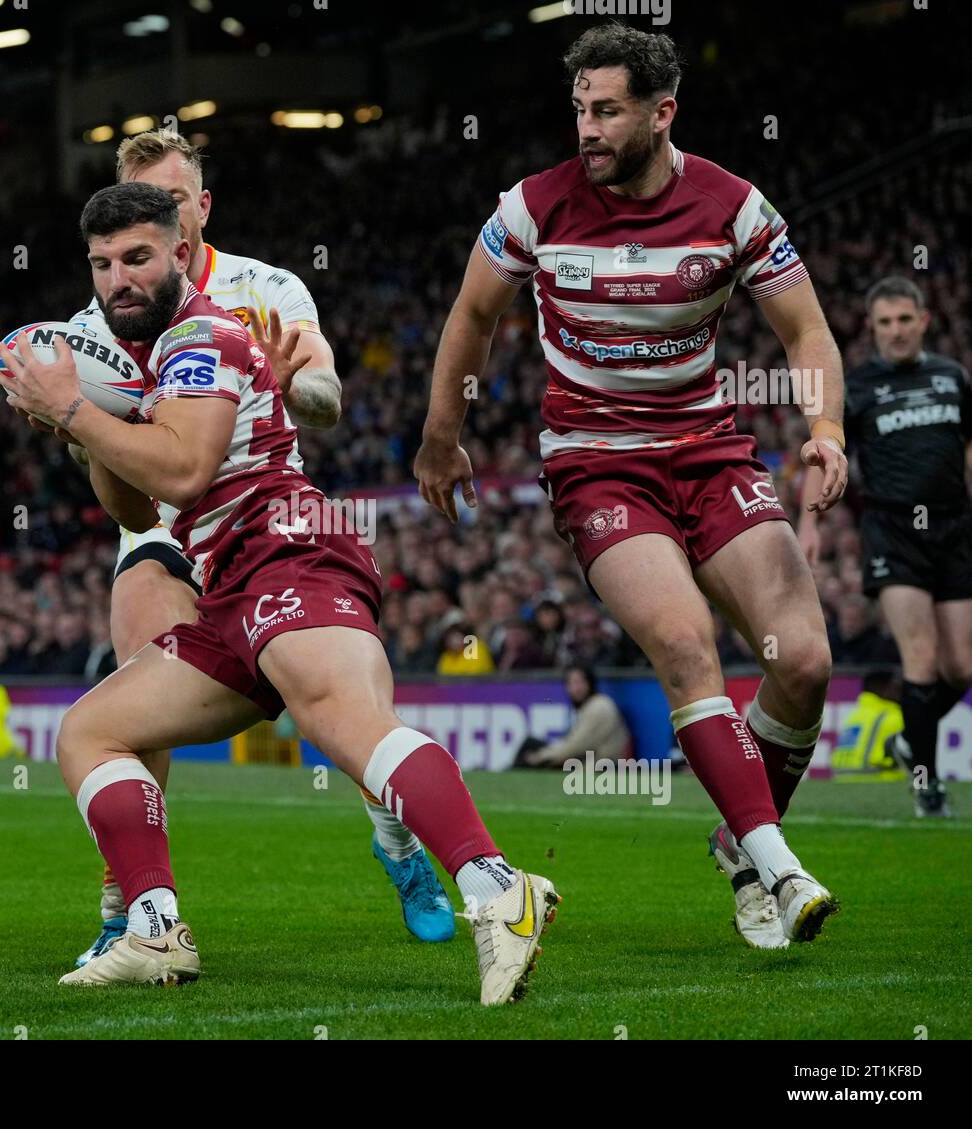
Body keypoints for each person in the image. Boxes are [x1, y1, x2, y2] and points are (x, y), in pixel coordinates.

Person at [0, 182, 558, 1004]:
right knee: (90, 731)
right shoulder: (147, 359)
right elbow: (139, 507)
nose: (118, 278)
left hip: (287, 551)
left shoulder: (201, 335)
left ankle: (497, 888)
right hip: (229, 586)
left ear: (180, 254)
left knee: (345, 721)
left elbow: (187, 470)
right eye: (102, 264)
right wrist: (81, 435)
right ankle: (155, 929)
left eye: (138, 257)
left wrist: (74, 407)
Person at [414, 22, 841, 949]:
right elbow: (472, 315)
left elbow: (804, 333)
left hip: (709, 454)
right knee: (685, 642)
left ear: (662, 111)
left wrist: (825, 427)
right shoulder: (533, 208)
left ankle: (741, 832)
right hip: (597, 463)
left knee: (803, 659)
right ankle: (776, 869)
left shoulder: (733, 206)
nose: (589, 129)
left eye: (607, 111)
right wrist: (441, 438)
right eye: (579, 110)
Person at [65, 130, 452, 965]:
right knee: (136, 689)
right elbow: (107, 464)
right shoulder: (97, 318)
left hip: (262, 516)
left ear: (198, 209)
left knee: (340, 707)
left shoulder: (265, 289)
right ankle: (136, 907)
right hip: (166, 528)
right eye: (134, 204)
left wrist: (279, 381)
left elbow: (328, 397)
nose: (149, 223)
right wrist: (74, 429)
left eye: (166, 203)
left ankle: (397, 837)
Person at [802, 276, 971, 817]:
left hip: (955, 529)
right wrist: (810, 525)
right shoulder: (859, 386)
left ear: (924, 320)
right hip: (893, 533)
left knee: (962, 667)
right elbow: (823, 449)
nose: (895, 331)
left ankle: (907, 743)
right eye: (884, 322)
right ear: (872, 328)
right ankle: (927, 785)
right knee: (921, 659)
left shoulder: (953, 377)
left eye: (904, 320)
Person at [513, 667, 630, 769]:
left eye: (579, 682)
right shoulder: (590, 706)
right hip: (588, 759)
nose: (576, 688)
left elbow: (575, 747)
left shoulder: (599, 707)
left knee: (531, 752)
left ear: (590, 683)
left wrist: (540, 757)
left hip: (602, 765)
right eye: (571, 683)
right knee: (531, 743)